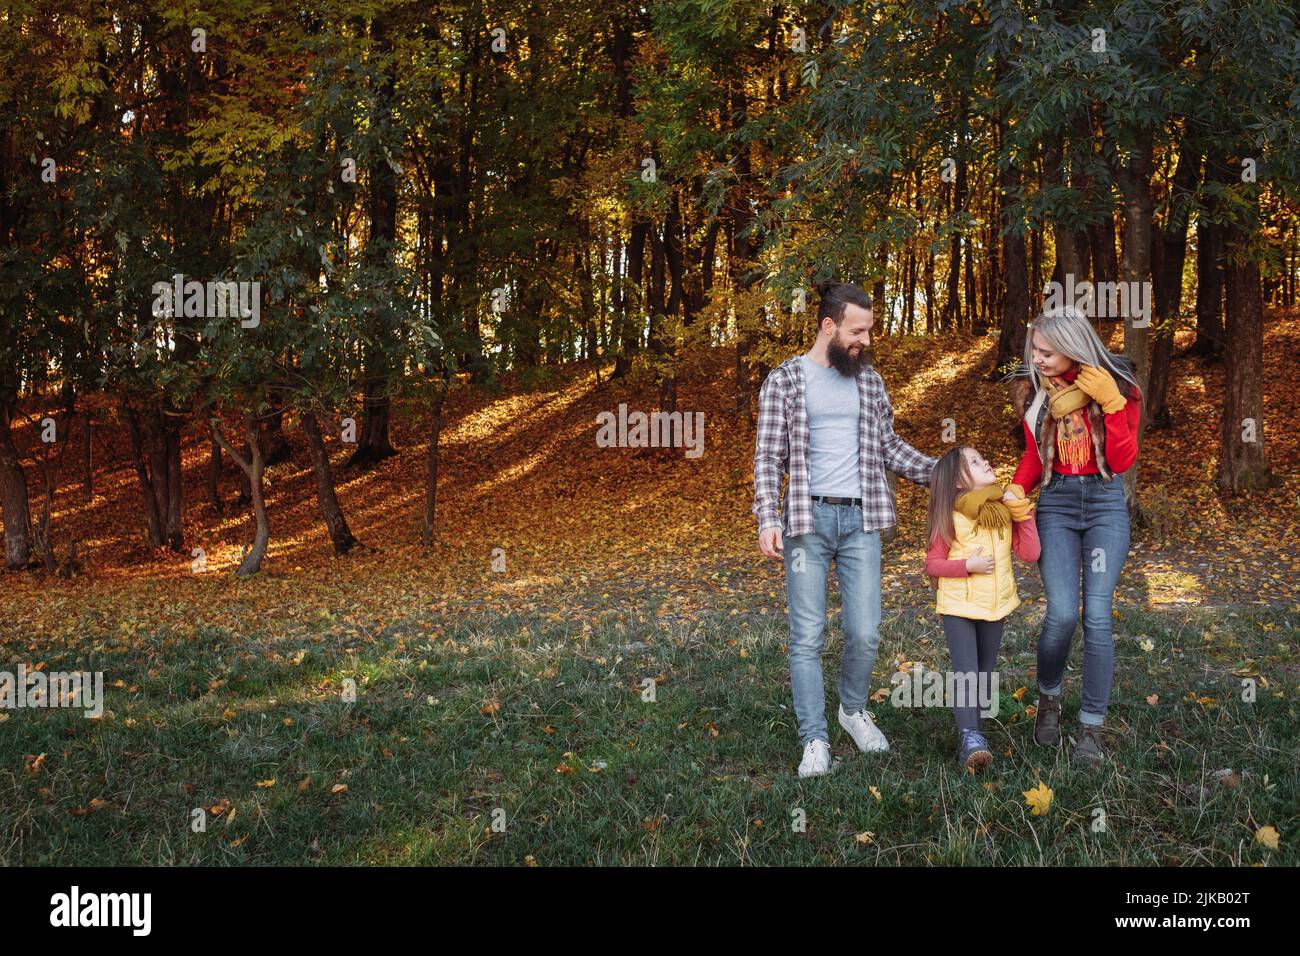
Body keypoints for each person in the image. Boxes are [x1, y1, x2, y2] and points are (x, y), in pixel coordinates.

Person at [753, 281, 937, 778]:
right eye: (858, 331)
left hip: (862, 521)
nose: (865, 342)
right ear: (829, 326)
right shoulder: (786, 380)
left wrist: (944, 472)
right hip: (807, 522)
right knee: (807, 636)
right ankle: (814, 739)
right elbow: (769, 457)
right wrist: (768, 518)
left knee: (865, 631)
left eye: (869, 331)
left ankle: (852, 710)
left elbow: (889, 448)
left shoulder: (870, 382)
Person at [1003, 306, 1142, 766]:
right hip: (1058, 503)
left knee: (1097, 616)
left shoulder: (1118, 386)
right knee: (1061, 615)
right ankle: (1049, 700)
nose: (1038, 359)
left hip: (1104, 501)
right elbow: (1031, 457)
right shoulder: (1034, 395)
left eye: (1047, 352)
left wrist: (1114, 406)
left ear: (1073, 348)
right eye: (1035, 351)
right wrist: (1015, 491)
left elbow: (1121, 462)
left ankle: (1091, 729)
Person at [924, 445, 1040, 771]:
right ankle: (969, 735)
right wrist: (967, 565)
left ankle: (976, 735)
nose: (985, 460)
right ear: (958, 482)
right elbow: (932, 564)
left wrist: (1024, 516)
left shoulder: (1002, 509)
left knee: (984, 672)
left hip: (995, 605)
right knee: (967, 672)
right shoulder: (952, 516)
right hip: (959, 606)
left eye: (981, 457)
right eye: (975, 461)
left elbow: (1030, 554)